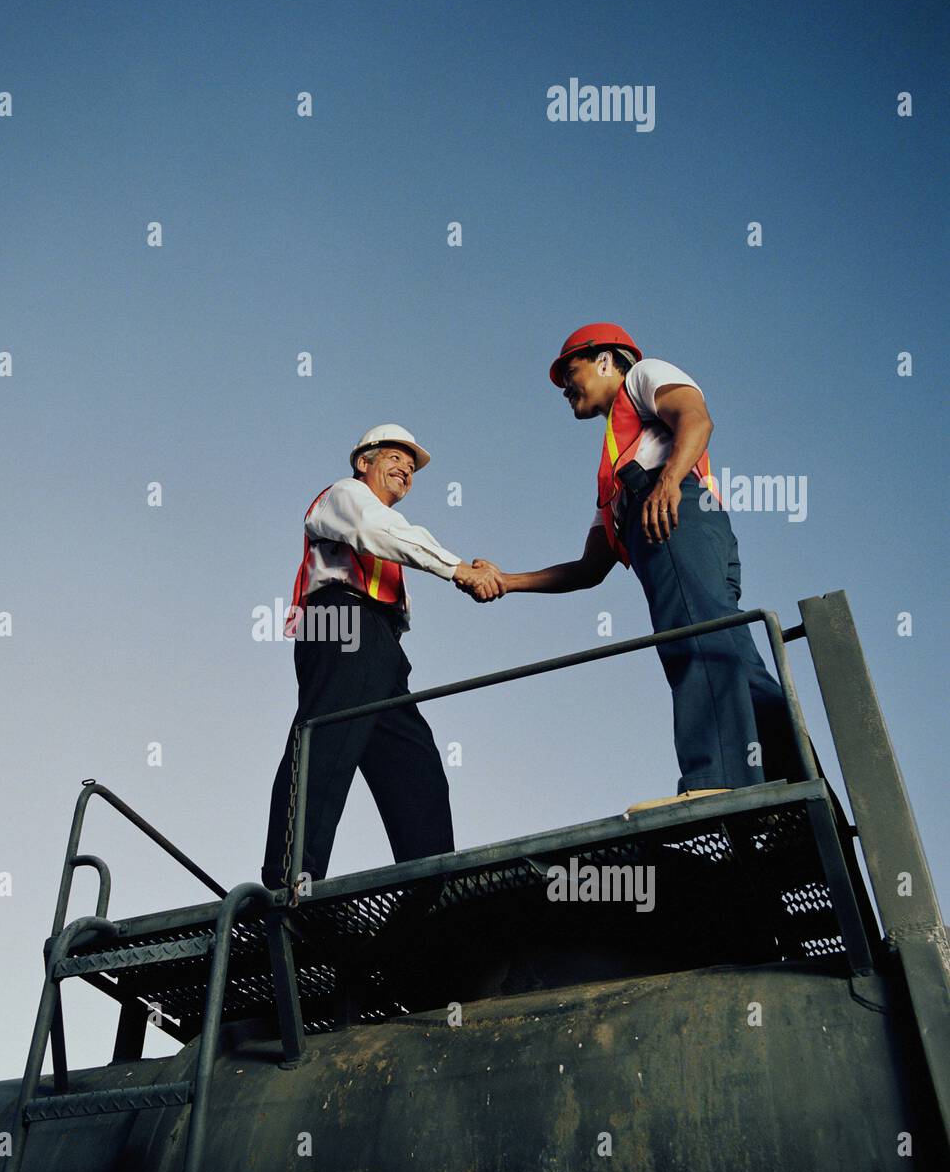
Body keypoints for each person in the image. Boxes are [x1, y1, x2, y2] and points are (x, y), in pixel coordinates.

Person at [473, 324, 798, 807]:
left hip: (677, 517)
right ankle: (792, 781)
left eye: (571, 370)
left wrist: (668, 482)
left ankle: (718, 780)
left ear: (606, 360)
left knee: (694, 639)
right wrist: (508, 582)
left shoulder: (645, 375)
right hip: (673, 527)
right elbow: (588, 568)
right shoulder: (616, 467)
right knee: (737, 662)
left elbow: (696, 418)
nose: (565, 386)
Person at [260, 424, 502, 893]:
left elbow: (388, 554)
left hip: (379, 643)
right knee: (325, 745)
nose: (405, 468)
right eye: (394, 457)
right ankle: (288, 883)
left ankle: (432, 888)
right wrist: (457, 570)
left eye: (410, 466)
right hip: (340, 623)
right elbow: (376, 530)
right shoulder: (345, 496)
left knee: (417, 766)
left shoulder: (389, 535)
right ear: (362, 462)